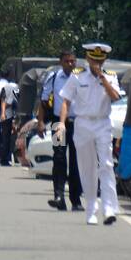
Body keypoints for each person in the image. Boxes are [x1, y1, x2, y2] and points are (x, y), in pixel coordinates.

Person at [58, 42, 121, 226]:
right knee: (87, 168)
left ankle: (109, 208)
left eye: (100, 60)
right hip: (83, 123)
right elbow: (66, 101)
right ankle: (91, 208)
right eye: (93, 59)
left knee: (107, 165)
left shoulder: (110, 76)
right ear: (87, 59)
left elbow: (115, 96)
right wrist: (61, 123)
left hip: (102, 122)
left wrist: (102, 79)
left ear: (104, 60)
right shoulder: (77, 77)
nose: (96, 63)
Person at [37, 49, 83, 212]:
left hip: (78, 123)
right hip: (58, 124)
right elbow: (43, 100)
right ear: (60, 62)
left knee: (77, 162)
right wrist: (40, 122)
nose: (71, 64)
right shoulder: (54, 77)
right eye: (67, 61)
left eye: (73, 61)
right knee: (59, 158)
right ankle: (58, 196)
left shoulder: (81, 78)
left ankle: (76, 200)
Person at [0, 75, 18, 165]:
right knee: (6, 138)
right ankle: (4, 159)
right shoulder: (13, 86)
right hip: (7, 115)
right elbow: (12, 102)